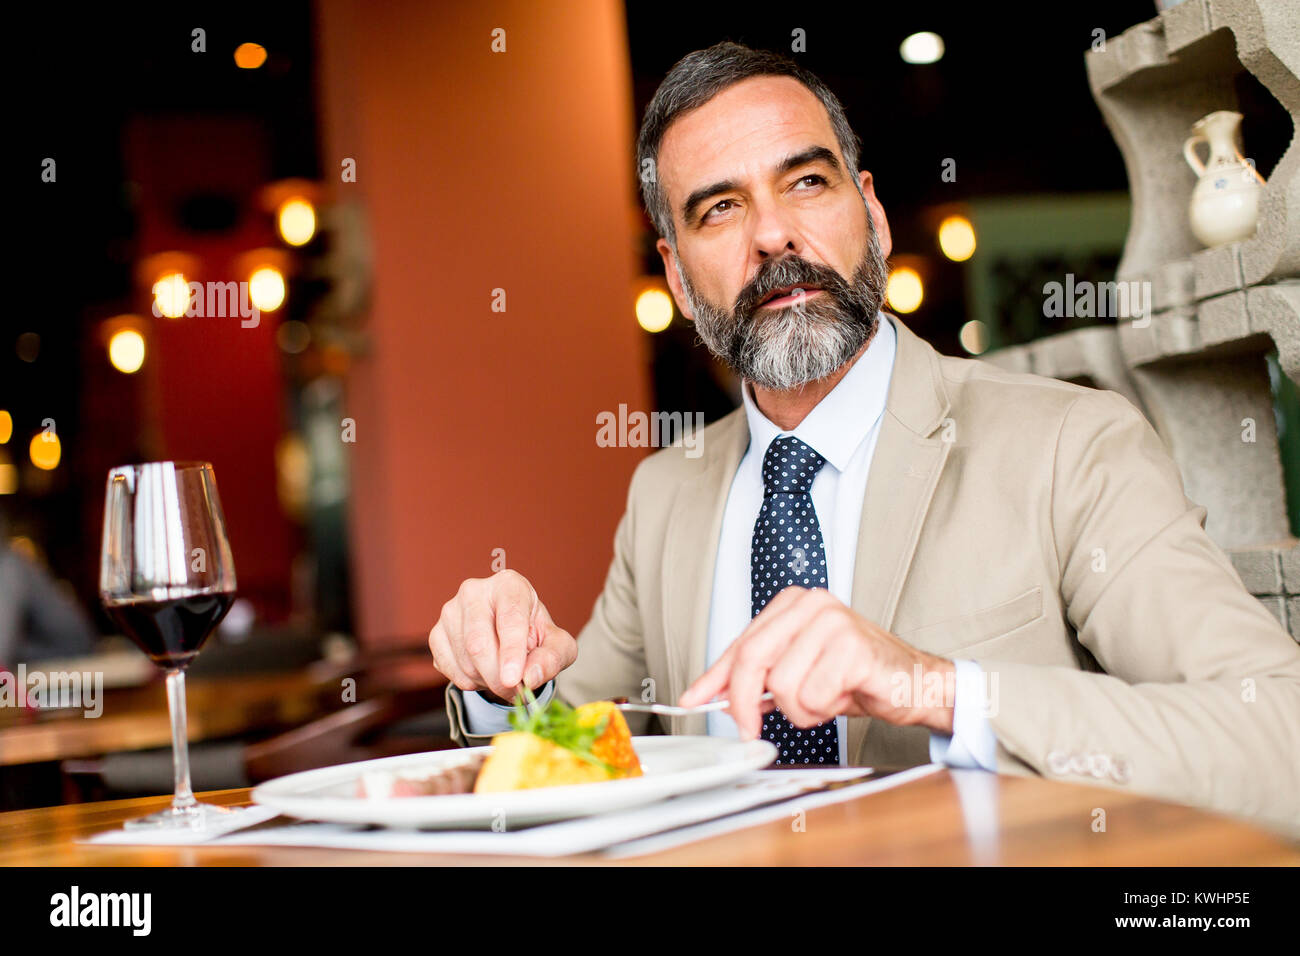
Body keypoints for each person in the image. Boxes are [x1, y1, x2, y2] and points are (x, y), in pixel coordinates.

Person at [429, 42, 1300, 835]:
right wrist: (510, 675)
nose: (773, 233)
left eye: (807, 183)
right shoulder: (665, 493)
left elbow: (1279, 740)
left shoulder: (1072, 445)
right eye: (720, 208)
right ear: (677, 276)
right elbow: (564, 750)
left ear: (872, 216)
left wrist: (938, 687)